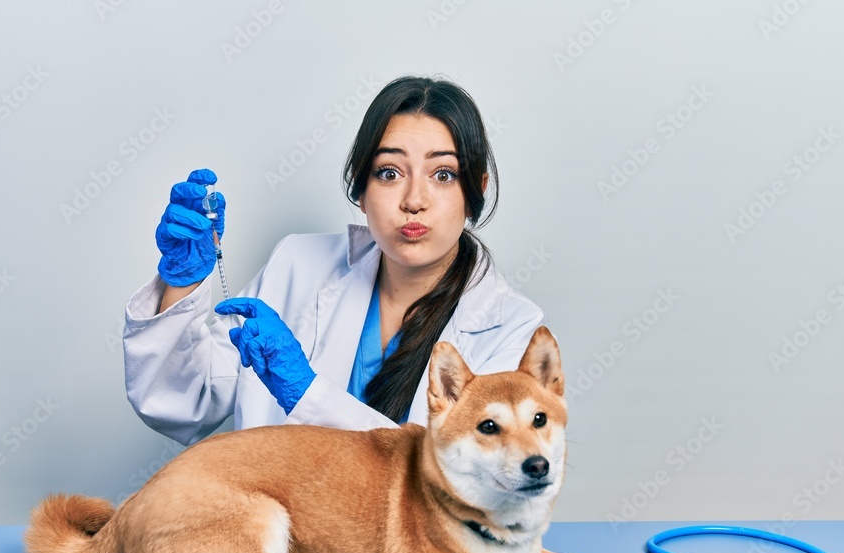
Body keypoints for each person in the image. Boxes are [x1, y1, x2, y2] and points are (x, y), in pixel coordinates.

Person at [123, 76, 545, 446]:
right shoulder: (298, 265)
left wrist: (306, 393)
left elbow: (458, 484)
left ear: (476, 191)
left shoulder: (511, 329)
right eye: (389, 173)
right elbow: (183, 403)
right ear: (360, 191)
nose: (414, 201)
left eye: (443, 175)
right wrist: (181, 282)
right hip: (274, 532)